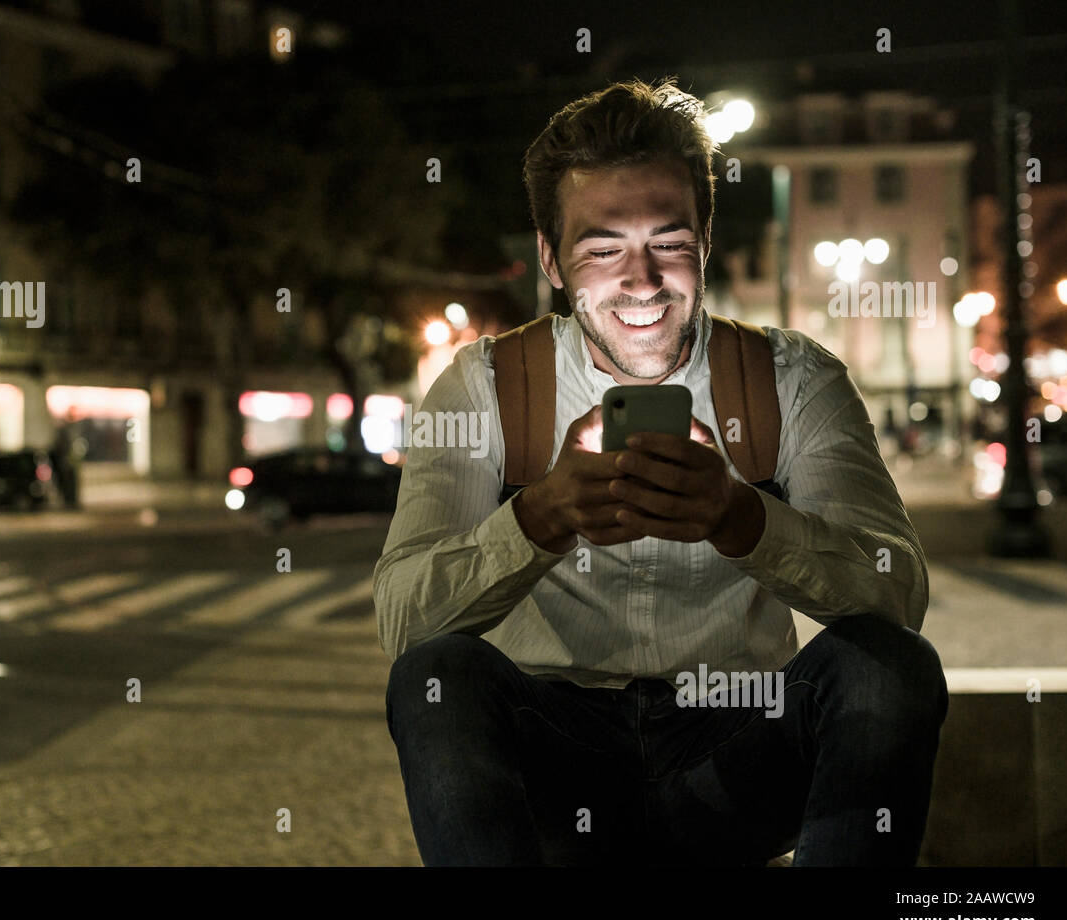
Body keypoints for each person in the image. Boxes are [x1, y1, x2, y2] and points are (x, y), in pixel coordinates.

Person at [373, 79, 947, 867]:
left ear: (706, 239)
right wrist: (537, 517)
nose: (641, 281)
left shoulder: (792, 378)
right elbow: (403, 621)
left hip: (736, 741)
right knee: (437, 673)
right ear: (550, 258)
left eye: (668, 243)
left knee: (889, 669)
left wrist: (743, 521)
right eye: (603, 248)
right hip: (555, 763)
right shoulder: (484, 385)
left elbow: (897, 593)